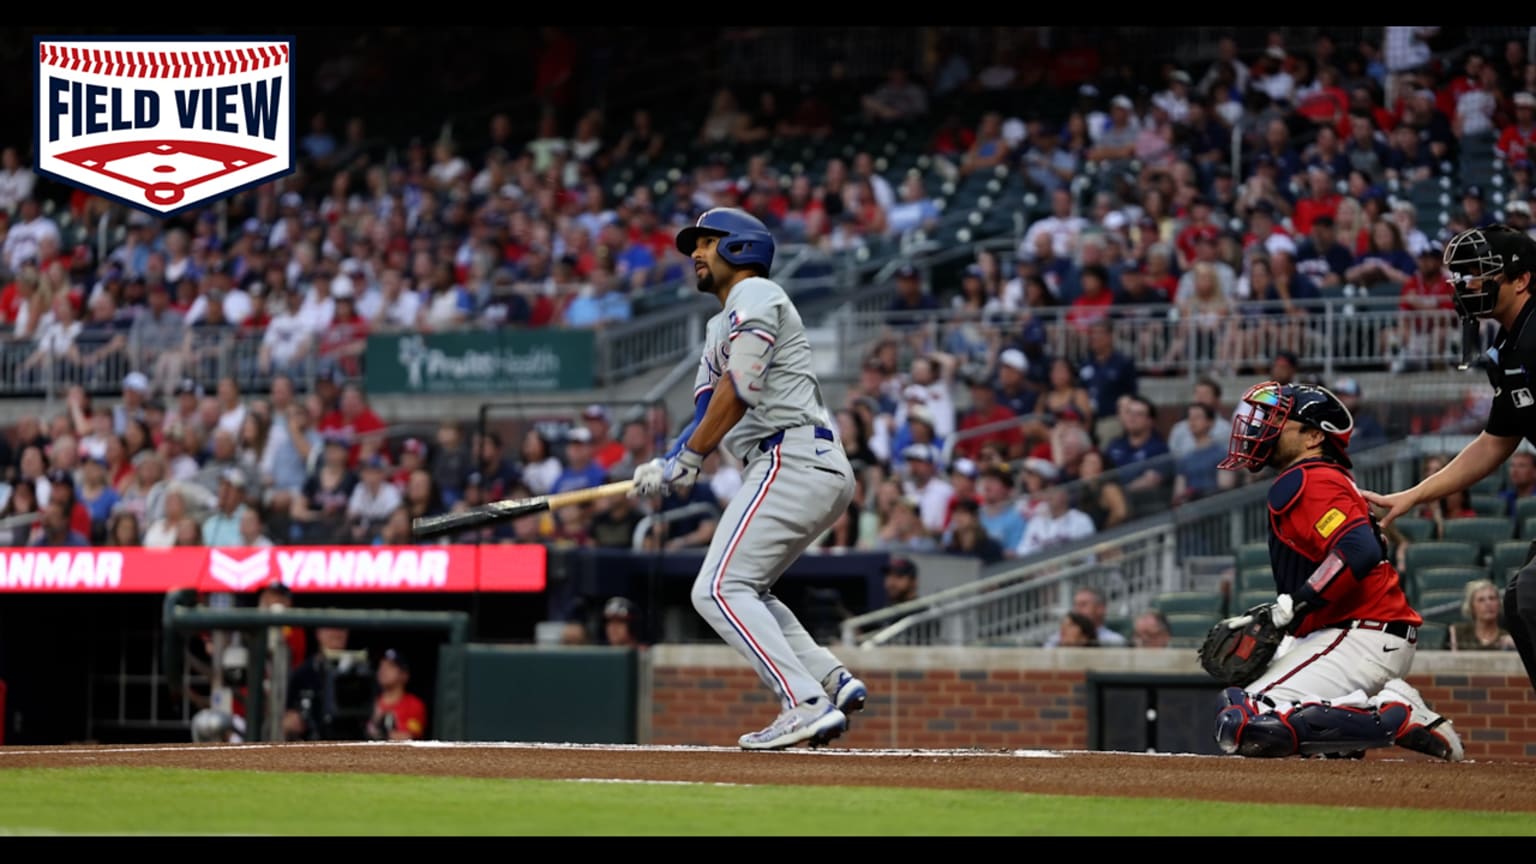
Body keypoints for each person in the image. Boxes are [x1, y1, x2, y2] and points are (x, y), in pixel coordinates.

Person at [629, 207, 866, 751]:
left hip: (791, 456)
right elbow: (709, 410)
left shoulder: (757, 293)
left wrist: (690, 455)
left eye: (707, 242)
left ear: (740, 248)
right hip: (795, 462)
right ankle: (829, 679)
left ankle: (804, 702)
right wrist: (666, 461)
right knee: (745, 588)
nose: (695, 253)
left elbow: (742, 386)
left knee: (716, 589)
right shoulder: (720, 324)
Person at [1212, 380, 1462, 761]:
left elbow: (1358, 549)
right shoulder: (1318, 476)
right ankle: (1345, 745)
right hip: (1351, 632)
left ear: (1314, 437)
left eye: (1279, 421)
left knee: (1246, 721)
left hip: (1360, 632)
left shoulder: (1308, 477)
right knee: (1297, 735)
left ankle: (1394, 715)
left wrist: (1292, 606)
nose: (1262, 428)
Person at [1362, 224, 1536, 697]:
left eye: (1479, 274)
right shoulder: (1507, 350)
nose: (1466, 285)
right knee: (1524, 602)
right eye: (1461, 276)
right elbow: (1495, 441)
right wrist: (1414, 495)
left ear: (1521, 279)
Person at [365, 649, 428, 741]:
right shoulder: (369, 702)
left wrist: (380, 730)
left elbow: (409, 737)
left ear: (404, 675)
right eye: (381, 666)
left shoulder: (414, 704)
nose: (383, 670)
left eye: (390, 667)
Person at [1446, 579, 1517, 651]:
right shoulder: (1457, 632)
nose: (1488, 604)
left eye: (1492, 598)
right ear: (1471, 607)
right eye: (1481, 600)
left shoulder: (1509, 637)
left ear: (1499, 604)